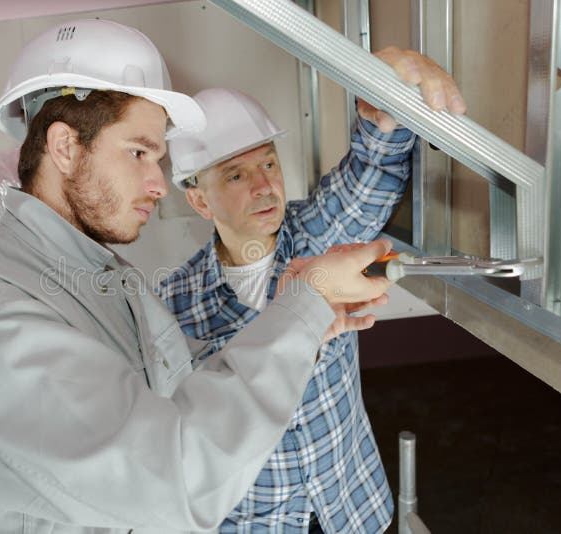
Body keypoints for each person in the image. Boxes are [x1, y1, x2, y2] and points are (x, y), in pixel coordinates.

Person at [0, 19, 395, 534]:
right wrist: (306, 304)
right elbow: (174, 475)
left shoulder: (106, 284)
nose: (158, 185)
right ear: (66, 148)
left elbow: (179, 402)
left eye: (158, 159)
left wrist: (306, 327)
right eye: (139, 152)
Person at [160, 50, 465, 533]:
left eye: (268, 163)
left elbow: (373, 172)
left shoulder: (316, 235)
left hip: (352, 507)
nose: (264, 186)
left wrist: (382, 108)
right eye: (236, 175)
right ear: (199, 199)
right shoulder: (175, 307)